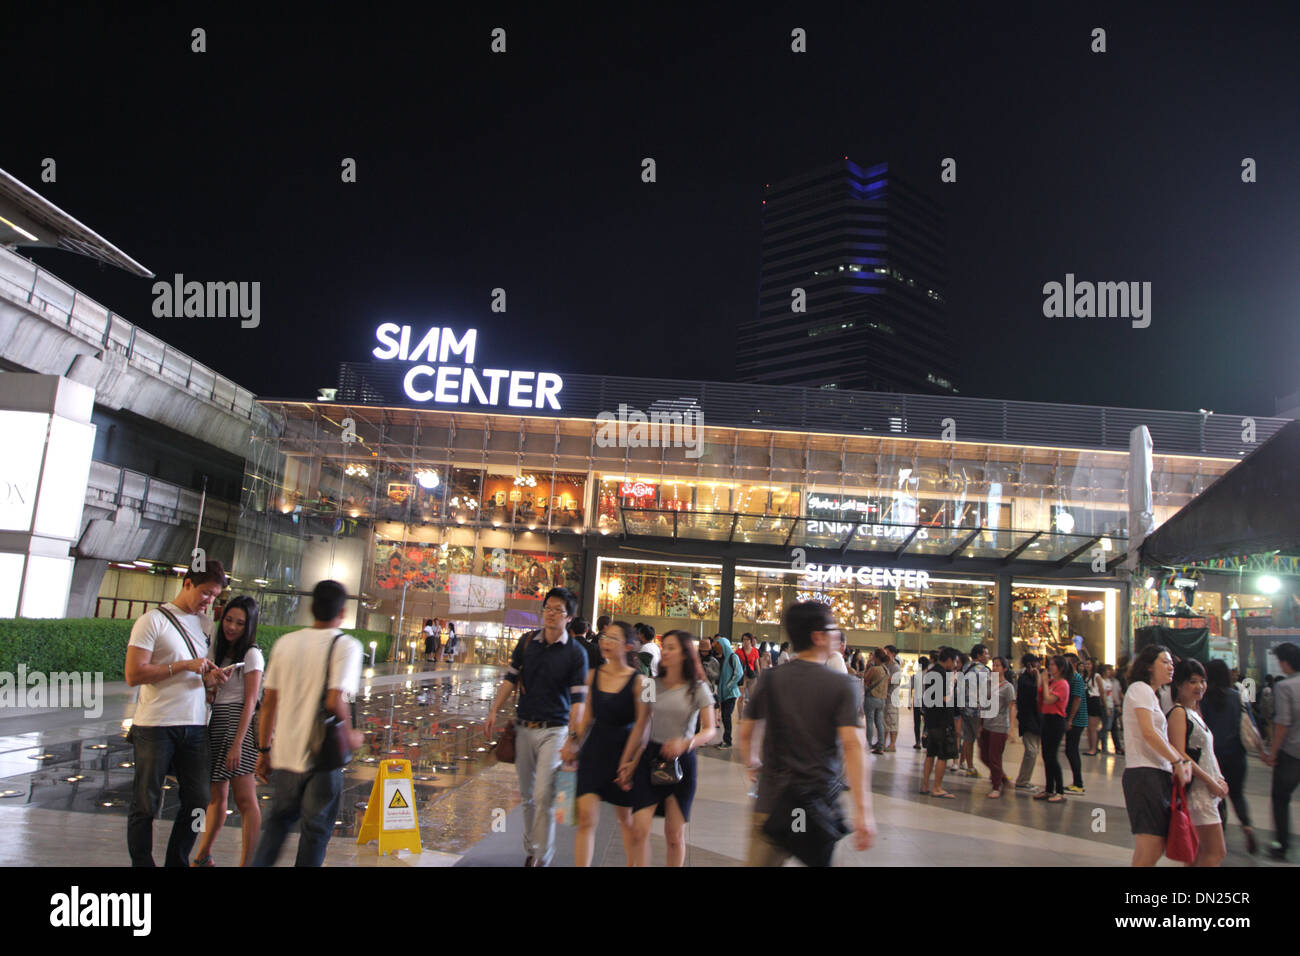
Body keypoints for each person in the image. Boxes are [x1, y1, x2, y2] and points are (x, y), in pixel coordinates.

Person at [740, 601, 874, 865]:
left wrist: (752, 761)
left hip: (772, 802)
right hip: (818, 805)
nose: (837, 634)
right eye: (833, 628)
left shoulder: (771, 678)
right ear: (817, 636)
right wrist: (863, 811)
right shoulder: (842, 685)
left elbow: (747, 732)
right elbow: (854, 747)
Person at [124, 560, 230, 867]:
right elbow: (133, 674)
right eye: (206, 593)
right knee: (146, 803)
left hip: (195, 725)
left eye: (215, 596)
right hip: (155, 724)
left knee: (198, 801)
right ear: (187, 584)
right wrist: (183, 665)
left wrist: (213, 678)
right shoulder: (151, 621)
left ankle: (178, 860)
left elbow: (201, 675)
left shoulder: (206, 626)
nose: (209, 601)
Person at [252, 580, 364, 867]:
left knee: (276, 828)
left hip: (286, 756)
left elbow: (268, 705)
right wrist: (351, 735)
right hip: (321, 759)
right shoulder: (346, 646)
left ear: (311, 607)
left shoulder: (285, 643)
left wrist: (264, 751)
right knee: (315, 833)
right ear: (343, 612)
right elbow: (334, 701)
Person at [485, 586, 587, 867]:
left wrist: (573, 738)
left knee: (544, 794)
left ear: (570, 617)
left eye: (558, 611)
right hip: (523, 728)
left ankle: (543, 856)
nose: (551, 615)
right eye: (548, 609)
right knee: (528, 796)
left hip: (555, 730)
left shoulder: (576, 653)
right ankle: (531, 848)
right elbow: (510, 678)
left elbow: (579, 700)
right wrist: (494, 709)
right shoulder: (527, 642)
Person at [629, 630, 718, 866]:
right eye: (664, 646)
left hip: (682, 762)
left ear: (685, 654)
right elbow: (642, 724)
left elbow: (709, 730)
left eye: (671, 647)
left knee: (674, 836)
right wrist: (629, 759)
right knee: (638, 830)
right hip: (650, 757)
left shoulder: (698, 688)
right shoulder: (650, 684)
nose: (664, 652)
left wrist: (685, 743)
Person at [563, 620, 646, 867]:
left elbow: (645, 724)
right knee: (586, 818)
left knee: (627, 820)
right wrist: (572, 741)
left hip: (626, 751)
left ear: (628, 646)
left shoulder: (644, 681)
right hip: (595, 751)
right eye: (604, 637)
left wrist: (630, 760)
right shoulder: (592, 675)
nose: (605, 642)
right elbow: (585, 717)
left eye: (613, 638)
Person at [192, 596, 264, 867]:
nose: (232, 627)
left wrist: (237, 744)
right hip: (217, 721)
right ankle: (203, 855)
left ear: (250, 626)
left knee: (245, 799)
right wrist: (210, 684)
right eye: (229, 620)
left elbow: (250, 701)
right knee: (216, 796)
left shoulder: (252, 654)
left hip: (238, 726)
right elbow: (211, 693)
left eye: (240, 623)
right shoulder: (221, 651)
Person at [1121, 645, 1195, 866]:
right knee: (1150, 844)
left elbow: (1160, 738)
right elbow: (1149, 733)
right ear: (1148, 666)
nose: (1171, 666)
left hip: (1156, 773)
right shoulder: (1139, 689)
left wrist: (1177, 761)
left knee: (1155, 845)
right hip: (1144, 774)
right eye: (1165, 661)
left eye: (1172, 662)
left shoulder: (1153, 695)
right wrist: (1177, 760)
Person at [1165, 658, 1229, 866]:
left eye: (1202, 681)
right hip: (1197, 793)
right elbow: (1180, 754)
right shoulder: (1178, 713)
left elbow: (1207, 754)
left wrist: (1218, 779)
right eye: (1193, 681)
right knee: (1215, 851)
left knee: (1198, 853)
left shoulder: (1195, 713)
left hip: (1208, 790)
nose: (1199, 686)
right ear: (1179, 684)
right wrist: (1210, 780)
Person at [1200, 659, 1259, 855]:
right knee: (1237, 794)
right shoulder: (1238, 696)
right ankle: (1247, 827)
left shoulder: (1204, 698)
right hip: (1237, 755)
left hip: (1214, 757)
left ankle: (1219, 835)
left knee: (1218, 797)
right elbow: (1249, 722)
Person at [1266, 642, 1300, 860]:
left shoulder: (1285, 686)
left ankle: (1281, 845)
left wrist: (1273, 753)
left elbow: (1283, 723)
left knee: (1280, 798)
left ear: (1285, 662)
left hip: (1291, 754)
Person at [921, 648, 960, 798]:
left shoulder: (931, 672)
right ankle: (937, 787)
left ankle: (925, 785)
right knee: (942, 755)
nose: (955, 664)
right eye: (955, 661)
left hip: (931, 720)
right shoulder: (944, 675)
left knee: (930, 754)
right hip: (942, 720)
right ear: (948, 660)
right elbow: (945, 699)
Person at [1034, 655, 1070, 803]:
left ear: (1060, 668)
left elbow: (1049, 699)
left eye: (1053, 665)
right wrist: (1039, 677)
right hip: (1046, 718)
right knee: (1045, 755)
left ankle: (1059, 790)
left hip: (1056, 720)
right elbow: (1041, 693)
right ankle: (1049, 789)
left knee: (1052, 756)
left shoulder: (1062, 684)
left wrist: (1044, 681)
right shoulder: (1052, 682)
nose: (1050, 667)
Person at [980, 657, 1017, 798]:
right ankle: (1001, 777)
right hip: (987, 724)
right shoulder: (988, 684)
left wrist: (1012, 729)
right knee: (984, 756)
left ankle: (996, 786)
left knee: (994, 757)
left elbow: (1012, 707)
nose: (994, 668)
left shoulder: (1008, 687)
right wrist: (980, 724)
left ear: (1004, 669)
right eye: (993, 665)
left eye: (998, 666)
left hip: (1000, 726)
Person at [956, 645, 989, 777]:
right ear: (979, 656)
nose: (988, 656)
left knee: (968, 739)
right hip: (977, 711)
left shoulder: (966, 667)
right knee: (983, 740)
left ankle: (970, 767)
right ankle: (995, 770)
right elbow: (986, 692)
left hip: (964, 709)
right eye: (986, 654)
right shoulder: (984, 670)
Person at [1014, 654, 1042, 791]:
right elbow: (1038, 693)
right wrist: (1037, 677)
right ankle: (1022, 780)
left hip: (1036, 720)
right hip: (1028, 720)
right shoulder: (1025, 680)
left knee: (1034, 751)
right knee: (1031, 751)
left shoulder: (1031, 678)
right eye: (1036, 663)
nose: (1039, 666)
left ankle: (1024, 779)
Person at [1063, 654, 1088, 793]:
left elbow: (1077, 699)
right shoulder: (1070, 678)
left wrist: (1070, 719)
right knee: (1070, 750)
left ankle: (1078, 783)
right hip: (1073, 718)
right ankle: (1077, 782)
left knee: (1071, 750)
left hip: (1077, 720)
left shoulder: (1076, 678)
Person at [714, 637, 744, 749]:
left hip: (731, 693)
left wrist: (729, 685)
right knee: (724, 716)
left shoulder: (733, 657)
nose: (718, 650)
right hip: (725, 692)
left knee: (726, 716)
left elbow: (739, 673)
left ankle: (728, 741)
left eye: (719, 647)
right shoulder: (725, 658)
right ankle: (726, 739)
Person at [862, 649, 889, 755]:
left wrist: (868, 667)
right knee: (879, 722)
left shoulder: (875, 669)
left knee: (869, 721)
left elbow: (865, 678)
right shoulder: (886, 669)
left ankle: (868, 745)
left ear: (876, 657)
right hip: (882, 699)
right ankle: (880, 746)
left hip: (872, 697)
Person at [882, 644, 902, 752]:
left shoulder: (895, 667)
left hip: (892, 697)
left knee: (892, 721)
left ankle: (892, 744)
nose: (885, 655)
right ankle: (883, 742)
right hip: (884, 697)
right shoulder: (884, 665)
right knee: (884, 721)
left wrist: (882, 678)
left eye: (887, 653)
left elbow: (892, 680)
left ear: (892, 654)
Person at [1084, 659, 1104, 755]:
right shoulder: (1085, 677)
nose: (1087, 666)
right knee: (1088, 727)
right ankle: (1090, 747)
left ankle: (1093, 748)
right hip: (1087, 701)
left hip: (1094, 701)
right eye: (1086, 664)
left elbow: (1101, 691)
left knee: (1092, 727)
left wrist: (1104, 705)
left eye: (1089, 664)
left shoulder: (1096, 676)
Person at [912, 655, 930, 750]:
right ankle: (925, 735)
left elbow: (912, 689)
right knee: (927, 720)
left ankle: (917, 742)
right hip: (927, 701)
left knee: (917, 722)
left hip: (917, 700)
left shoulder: (916, 676)